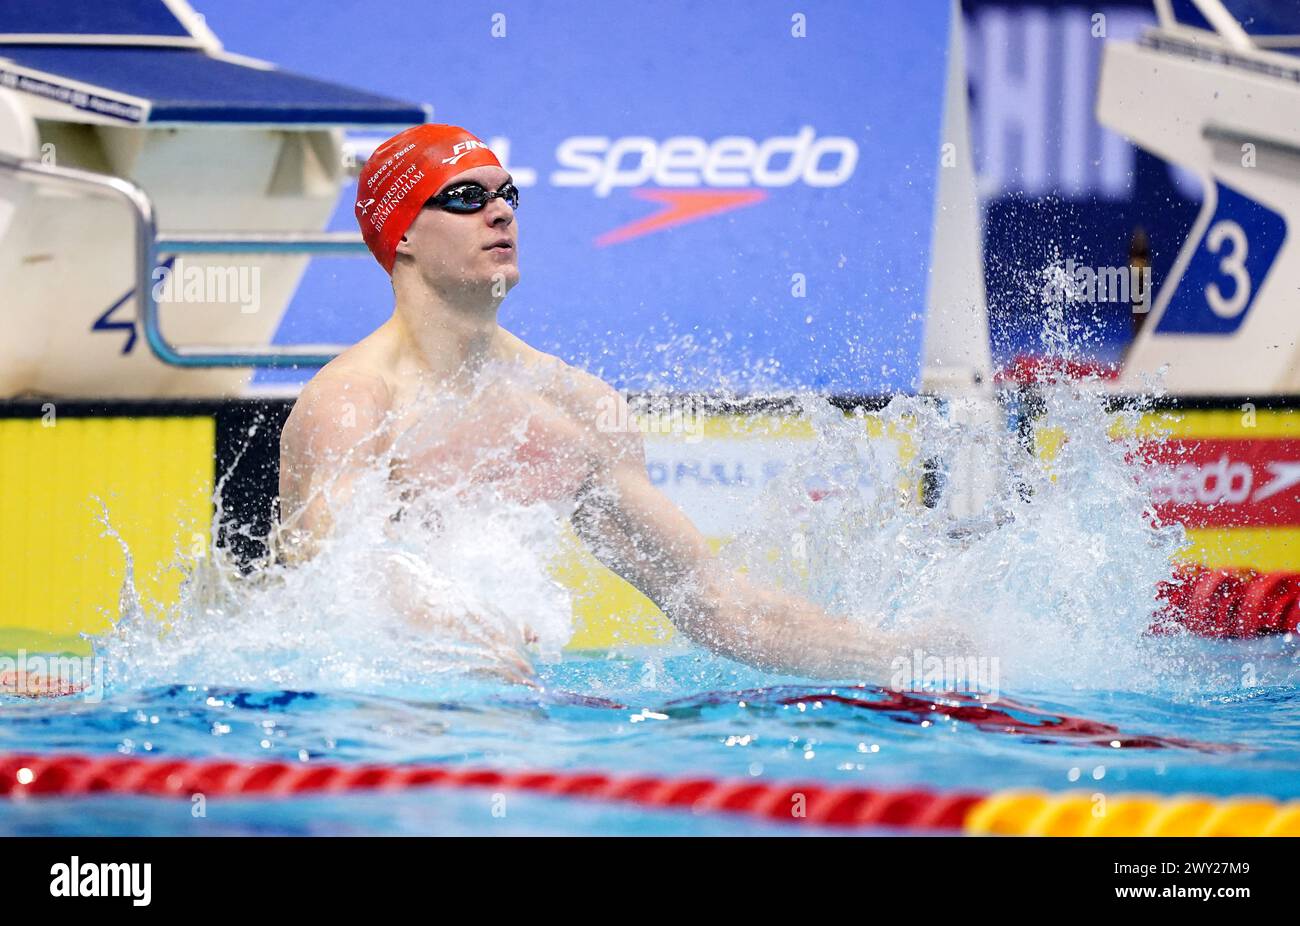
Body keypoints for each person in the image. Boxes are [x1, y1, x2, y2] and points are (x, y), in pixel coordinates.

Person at [278, 124, 957, 683]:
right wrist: (456, 637)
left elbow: (709, 599)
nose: (501, 211)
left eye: (507, 194)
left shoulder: (571, 404)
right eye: (463, 196)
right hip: (382, 715)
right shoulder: (353, 403)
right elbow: (334, 583)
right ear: (400, 235)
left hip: (511, 700)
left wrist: (890, 657)